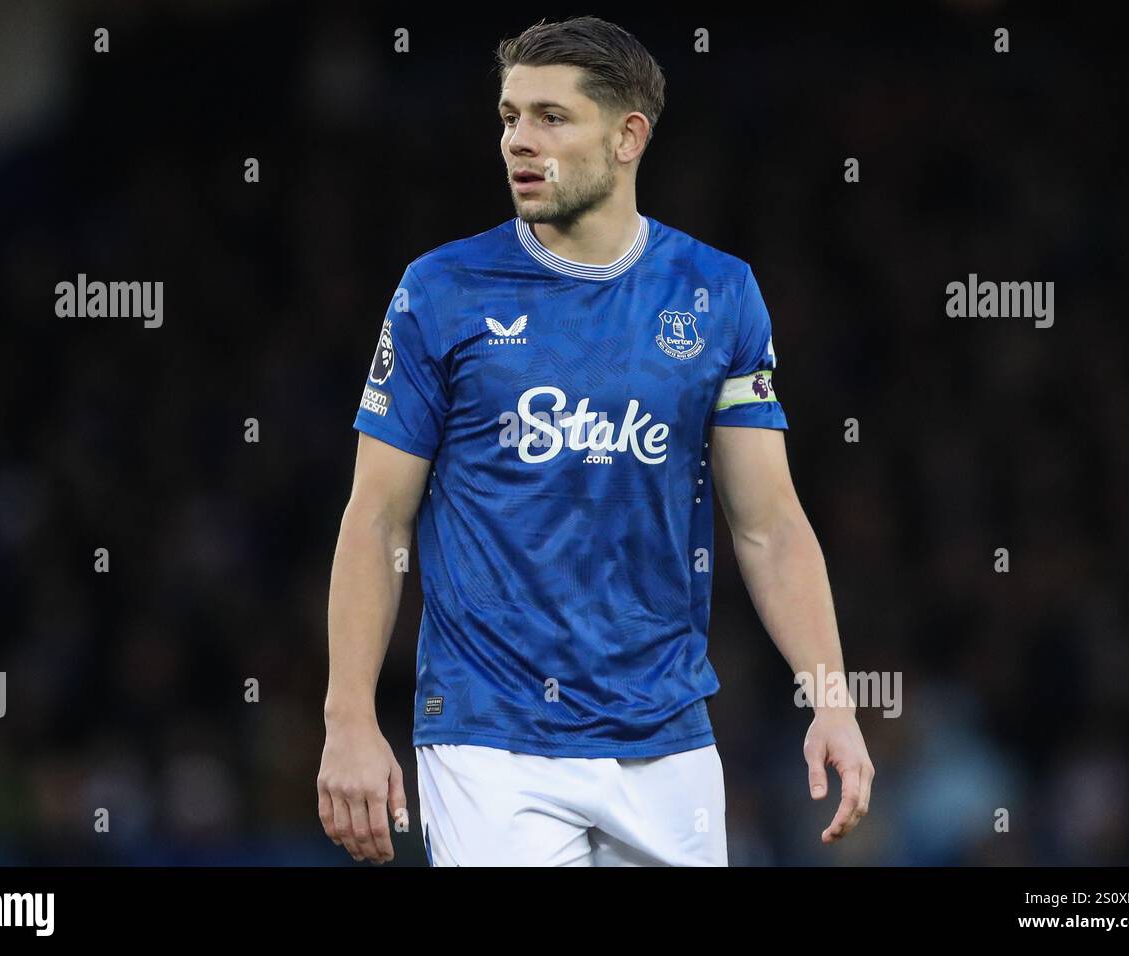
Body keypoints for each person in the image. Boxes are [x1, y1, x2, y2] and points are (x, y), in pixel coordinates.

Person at [317, 15, 873, 866]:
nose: (518, 142)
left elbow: (770, 525)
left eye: (550, 117)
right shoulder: (440, 292)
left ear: (628, 137)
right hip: (489, 737)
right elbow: (376, 521)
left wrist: (831, 699)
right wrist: (349, 718)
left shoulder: (718, 294)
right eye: (508, 117)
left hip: (667, 734)